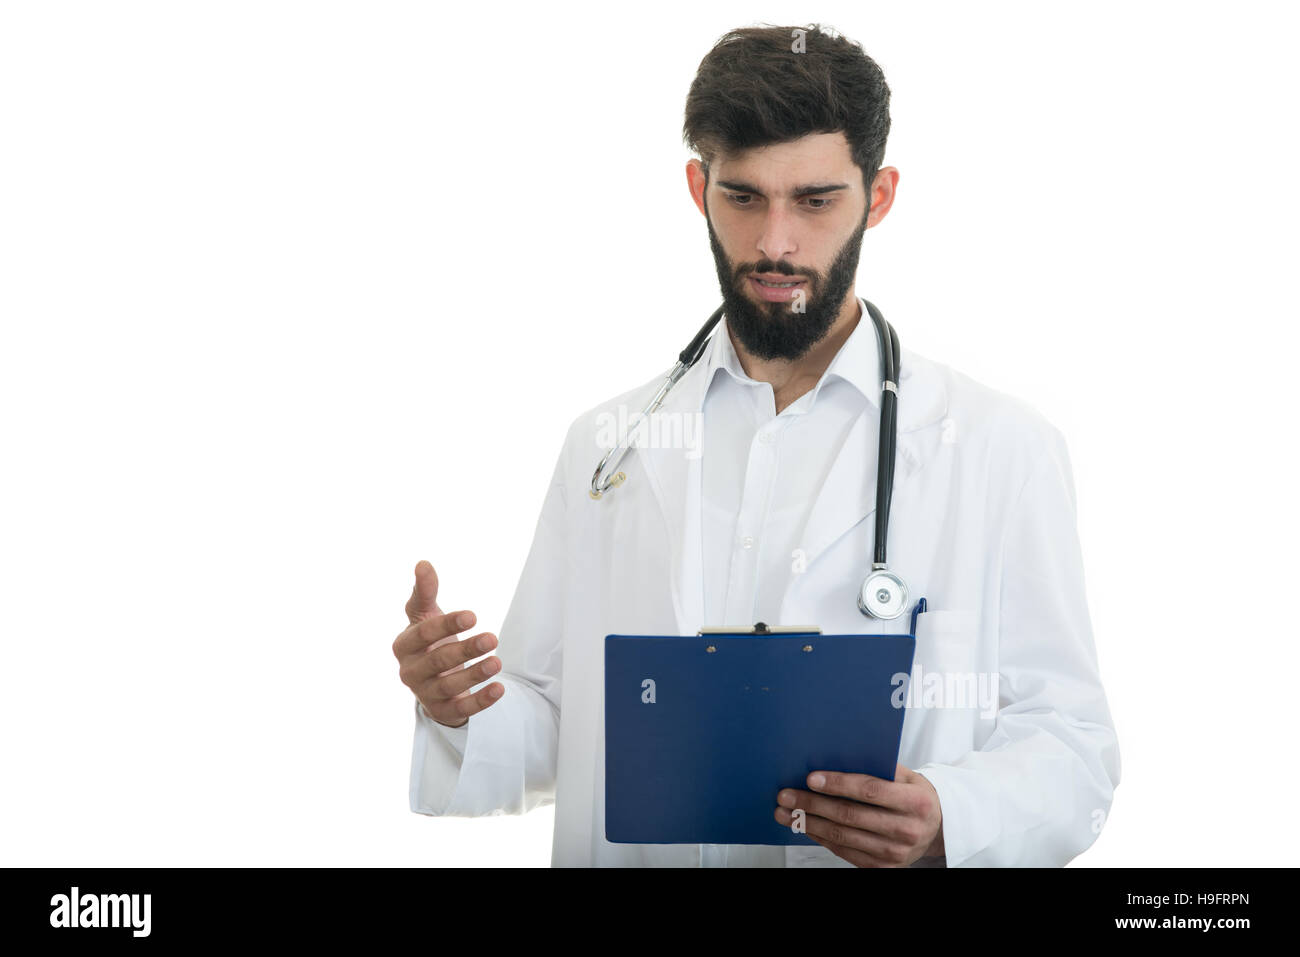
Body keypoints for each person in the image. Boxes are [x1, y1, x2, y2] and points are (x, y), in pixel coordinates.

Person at [393, 23, 1120, 867]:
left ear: (877, 197)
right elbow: (563, 723)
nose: (777, 242)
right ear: (699, 187)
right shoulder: (610, 447)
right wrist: (461, 706)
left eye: (815, 201)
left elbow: (1073, 745)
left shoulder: (1000, 450)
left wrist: (952, 813)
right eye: (744, 196)